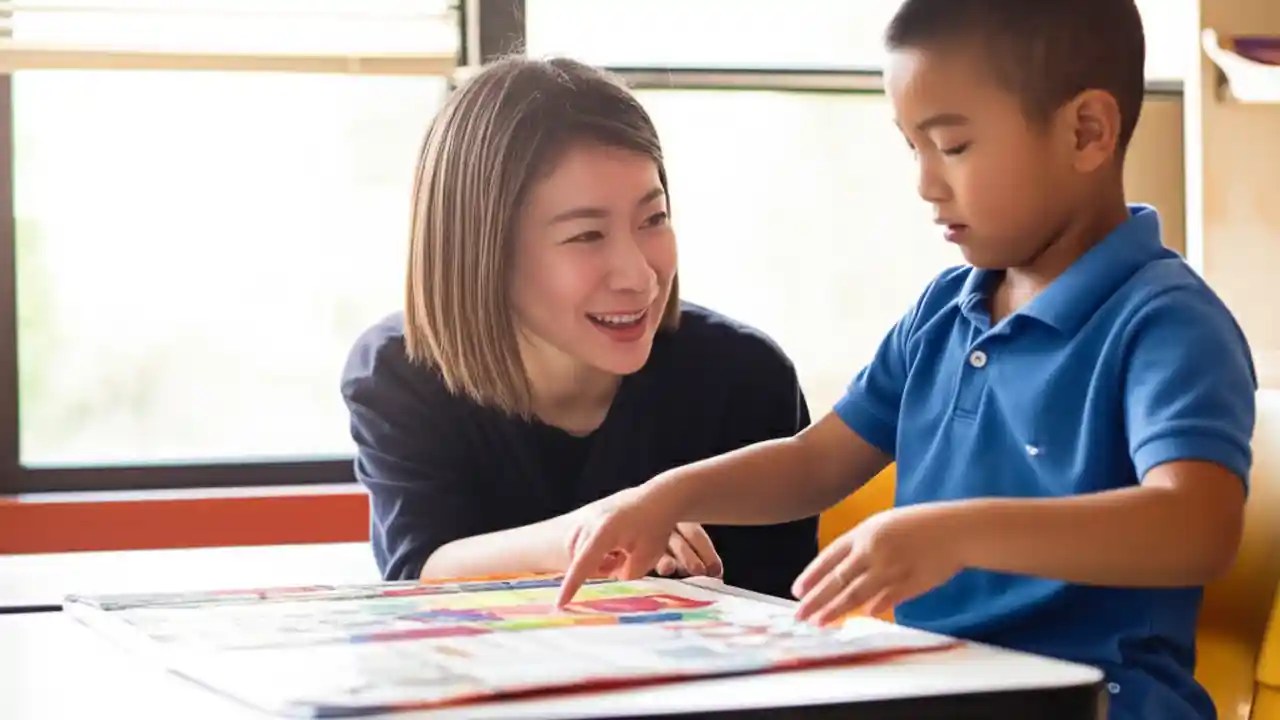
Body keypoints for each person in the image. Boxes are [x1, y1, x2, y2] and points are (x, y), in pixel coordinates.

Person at [556, 2, 1256, 718]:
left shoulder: (1164, 321)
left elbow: (1197, 527)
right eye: (912, 149)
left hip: (1100, 702)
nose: (925, 182)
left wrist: (954, 534)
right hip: (935, 688)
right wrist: (666, 497)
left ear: (1086, 132)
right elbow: (814, 463)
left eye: (952, 146)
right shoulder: (944, 310)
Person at [340, 57, 817, 599]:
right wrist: (587, 535)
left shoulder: (745, 378)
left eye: (653, 220)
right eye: (587, 235)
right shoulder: (401, 371)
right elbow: (419, 568)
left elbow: (782, 615)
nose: (640, 276)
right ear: (482, 253)